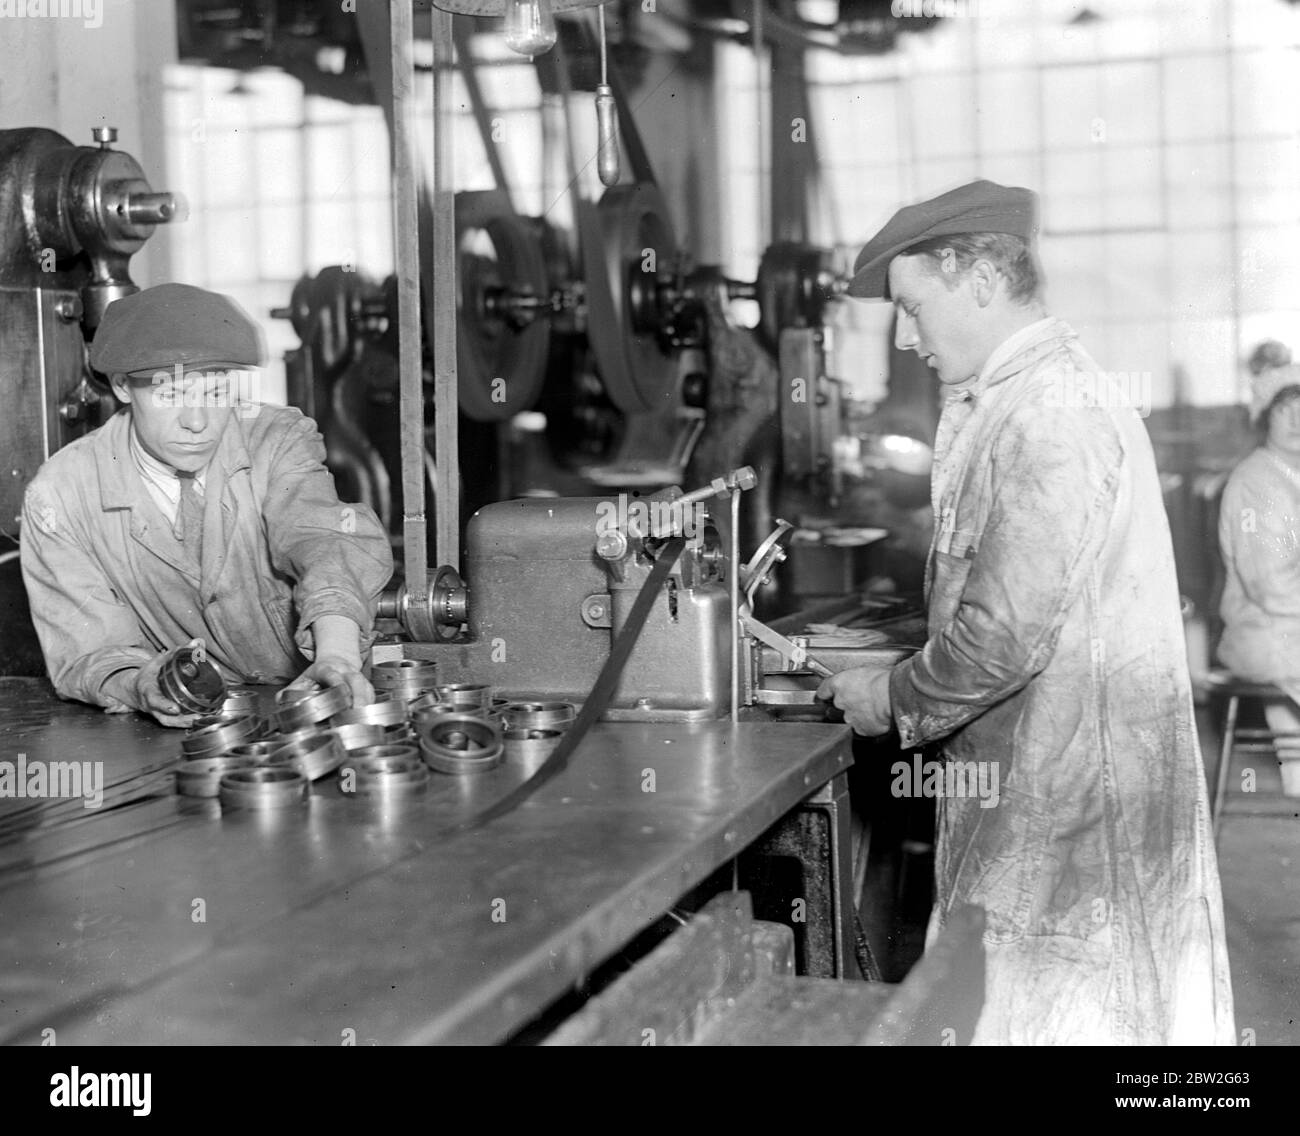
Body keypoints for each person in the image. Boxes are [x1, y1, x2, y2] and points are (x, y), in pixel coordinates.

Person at [817, 180, 1235, 1045]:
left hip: (1075, 797)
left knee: (1061, 1015)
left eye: (910, 305)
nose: (904, 336)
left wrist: (888, 697)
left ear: (973, 275)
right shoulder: (1017, 397)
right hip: (1047, 777)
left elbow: (1000, 640)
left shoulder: (1049, 414)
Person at [20, 283, 393, 727]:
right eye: (171, 394)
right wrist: (142, 685)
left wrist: (336, 656)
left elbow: (322, 538)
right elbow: (88, 651)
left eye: (216, 394)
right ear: (122, 386)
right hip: (198, 723)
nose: (197, 422)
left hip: (311, 699)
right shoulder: (61, 494)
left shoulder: (274, 439)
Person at [1218, 362, 1300, 796]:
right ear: (1264, 415)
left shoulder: (1291, 476)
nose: (1298, 420)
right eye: (1284, 408)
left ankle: (1297, 779)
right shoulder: (1258, 484)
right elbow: (1273, 588)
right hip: (1263, 632)